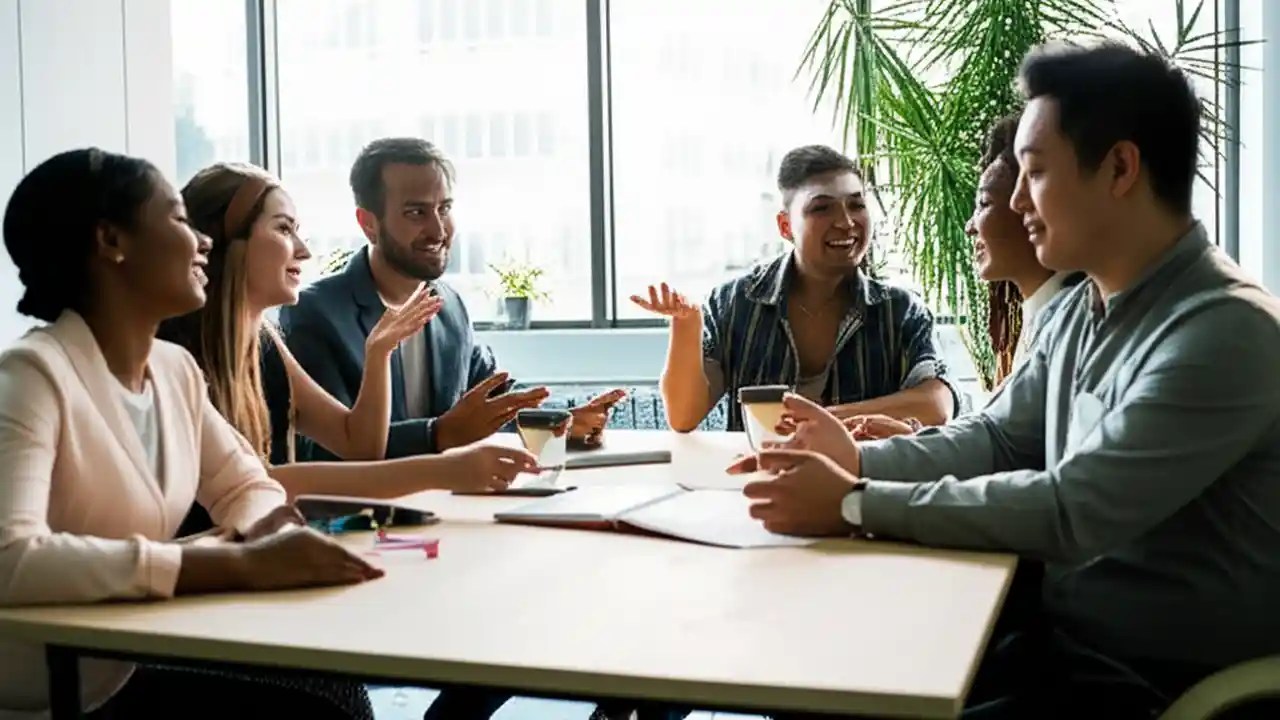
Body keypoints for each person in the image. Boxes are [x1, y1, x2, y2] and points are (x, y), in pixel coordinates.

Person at [730, 44, 1280, 718]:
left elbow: (1070, 509)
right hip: (1055, 641)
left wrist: (853, 501)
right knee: (822, 677)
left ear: (1120, 168)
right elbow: (999, 439)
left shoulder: (1226, 332)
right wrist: (854, 458)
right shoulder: (1085, 307)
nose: (1017, 200)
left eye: (1035, 172)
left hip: (1150, 681)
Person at [0, 148, 383, 718]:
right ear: (111, 242)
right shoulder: (33, 377)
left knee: (334, 686)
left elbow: (244, 487)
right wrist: (237, 564)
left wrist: (274, 533)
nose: (203, 241)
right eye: (179, 221)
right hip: (56, 684)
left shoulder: (175, 370)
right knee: (319, 704)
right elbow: (10, 560)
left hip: (134, 647)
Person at [160, 162, 539, 507]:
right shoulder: (176, 353)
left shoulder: (265, 341)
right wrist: (443, 470)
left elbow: (358, 444)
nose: (303, 250)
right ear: (225, 242)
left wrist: (378, 353)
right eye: (283, 229)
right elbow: (254, 483)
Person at [281, 138, 625, 461]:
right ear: (368, 223)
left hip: (449, 504)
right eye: (416, 213)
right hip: (366, 518)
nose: (438, 230)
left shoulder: (450, 305)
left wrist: (561, 421)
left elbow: (487, 400)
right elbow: (320, 451)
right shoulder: (315, 313)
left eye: (444, 208)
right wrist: (436, 435)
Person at [630, 145, 957, 433]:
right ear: (786, 226)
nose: (845, 222)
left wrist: (821, 420)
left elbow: (936, 405)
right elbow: (683, 415)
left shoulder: (899, 310)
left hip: (864, 485)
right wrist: (686, 324)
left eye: (856, 205)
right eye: (822, 208)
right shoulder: (735, 303)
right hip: (754, 486)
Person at [847, 113, 1082, 441]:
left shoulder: (1076, 324)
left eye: (983, 204)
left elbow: (1025, 462)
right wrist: (913, 439)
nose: (971, 225)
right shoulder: (1042, 315)